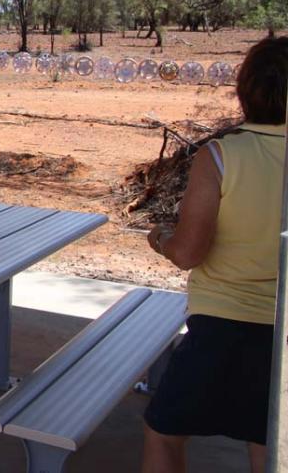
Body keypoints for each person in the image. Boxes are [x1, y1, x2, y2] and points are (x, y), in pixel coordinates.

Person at [142, 36, 288, 473]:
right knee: (267, 445)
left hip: (221, 326)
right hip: (280, 330)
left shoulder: (222, 155)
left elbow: (188, 252)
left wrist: (160, 239)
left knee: (163, 435)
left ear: (246, 89)